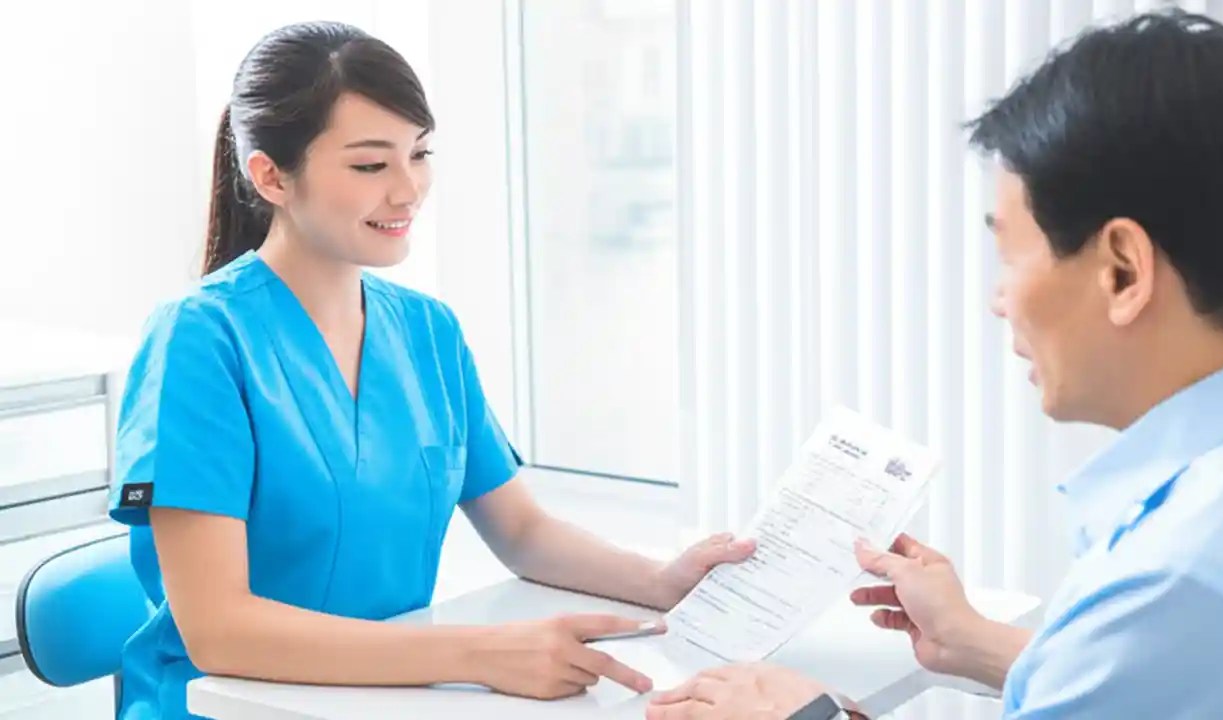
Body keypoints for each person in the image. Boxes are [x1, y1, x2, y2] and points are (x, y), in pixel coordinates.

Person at [107, 22, 754, 720]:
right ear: (270, 175)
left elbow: (522, 532)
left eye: (419, 154)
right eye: (369, 165)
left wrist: (662, 581)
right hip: (229, 706)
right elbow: (220, 631)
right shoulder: (199, 339)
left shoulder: (427, 330)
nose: (408, 190)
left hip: (384, 697)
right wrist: (482, 656)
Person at [648, 10, 1223, 719]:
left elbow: (1165, 638)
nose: (999, 299)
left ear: (1123, 272)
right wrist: (979, 641)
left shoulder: (1179, 579)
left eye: (1012, 254)